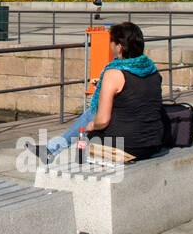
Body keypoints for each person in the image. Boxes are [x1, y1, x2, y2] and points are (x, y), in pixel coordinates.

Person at [33, 21, 161, 163]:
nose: (110, 45)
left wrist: (93, 125)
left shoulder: (114, 73)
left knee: (91, 123)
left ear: (119, 47)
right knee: (94, 114)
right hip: (153, 143)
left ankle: (56, 151)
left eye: (111, 41)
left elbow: (103, 120)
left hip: (128, 147)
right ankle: (52, 148)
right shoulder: (152, 70)